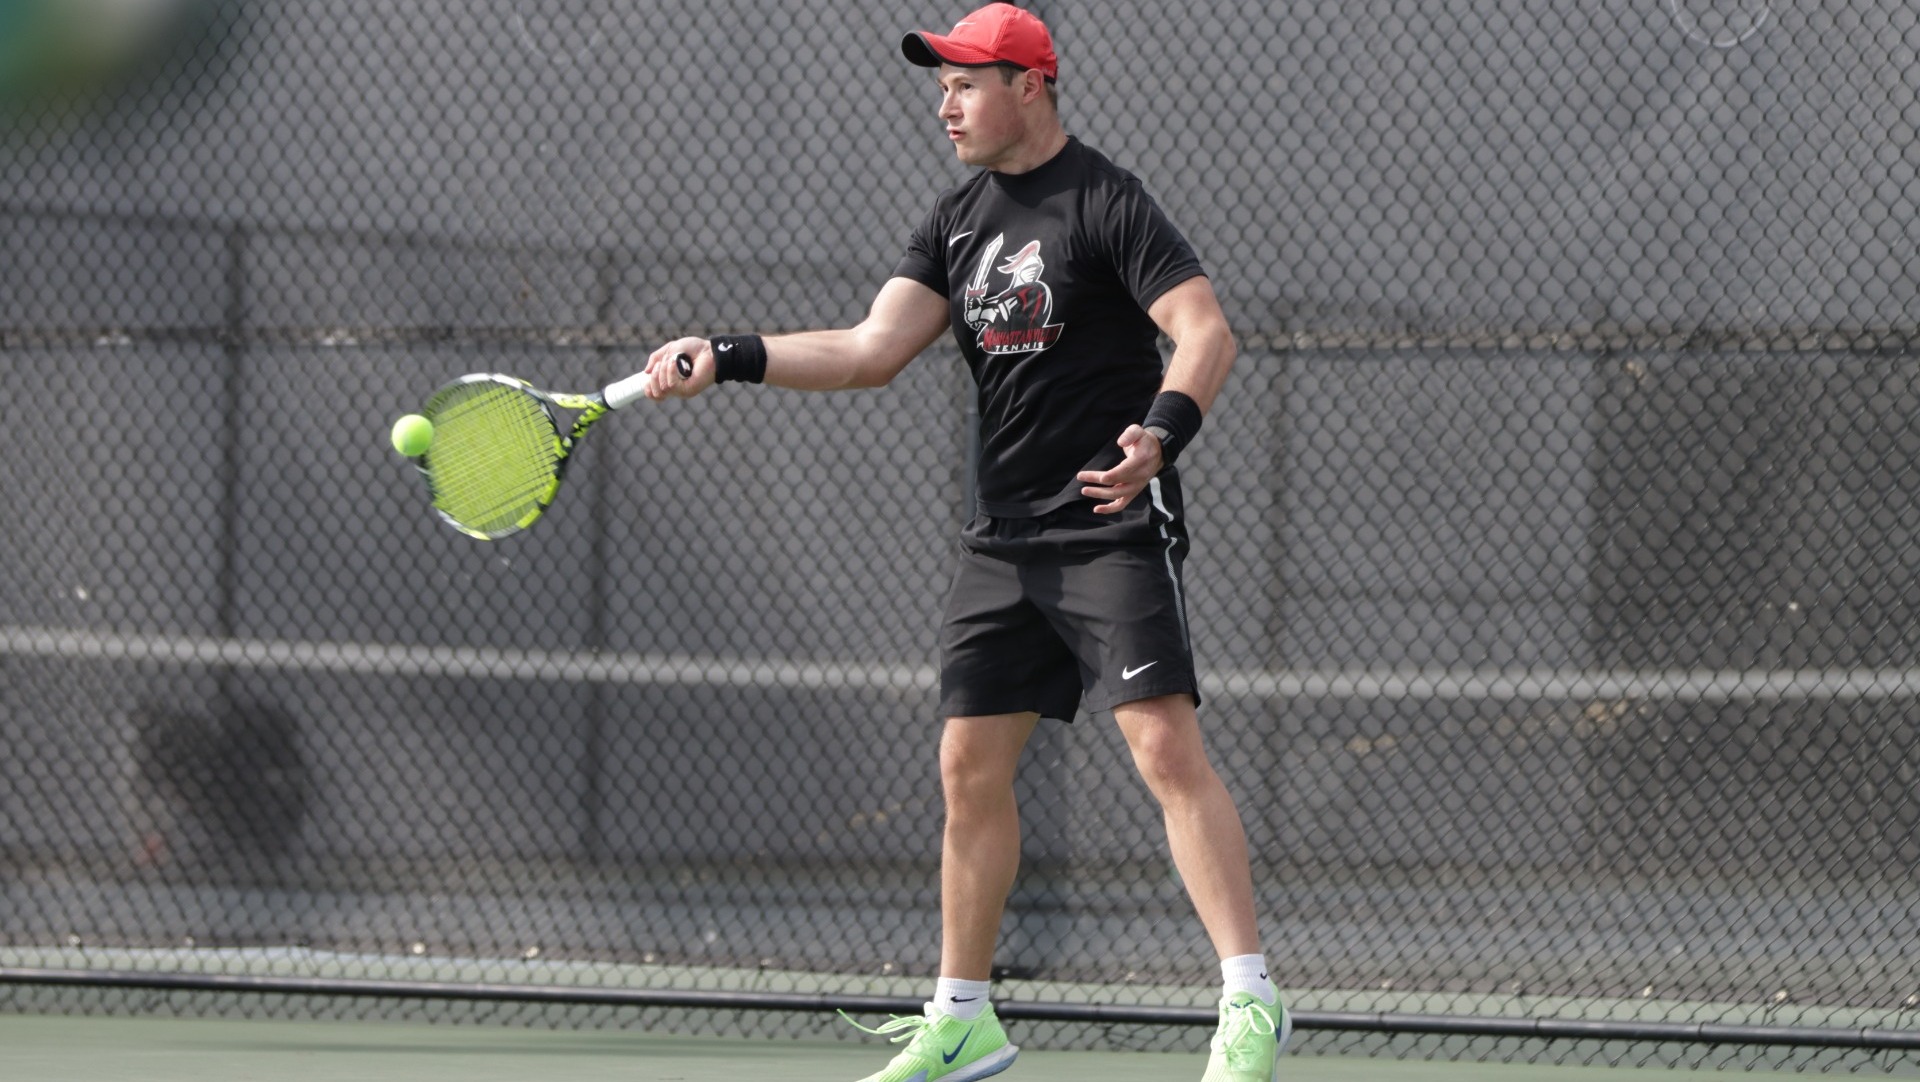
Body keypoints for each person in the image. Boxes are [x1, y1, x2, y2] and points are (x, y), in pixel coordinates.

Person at [641, 4, 1288, 1079]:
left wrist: (1159, 439)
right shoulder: (956, 218)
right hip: (1002, 540)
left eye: (965, 83)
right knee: (966, 768)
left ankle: (1251, 1000)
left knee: (1165, 749)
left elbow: (1206, 329)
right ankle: (964, 1016)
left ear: (1029, 85)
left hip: (1108, 519)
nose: (945, 104)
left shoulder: (1106, 201)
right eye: (940, 85)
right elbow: (867, 349)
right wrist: (730, 351)